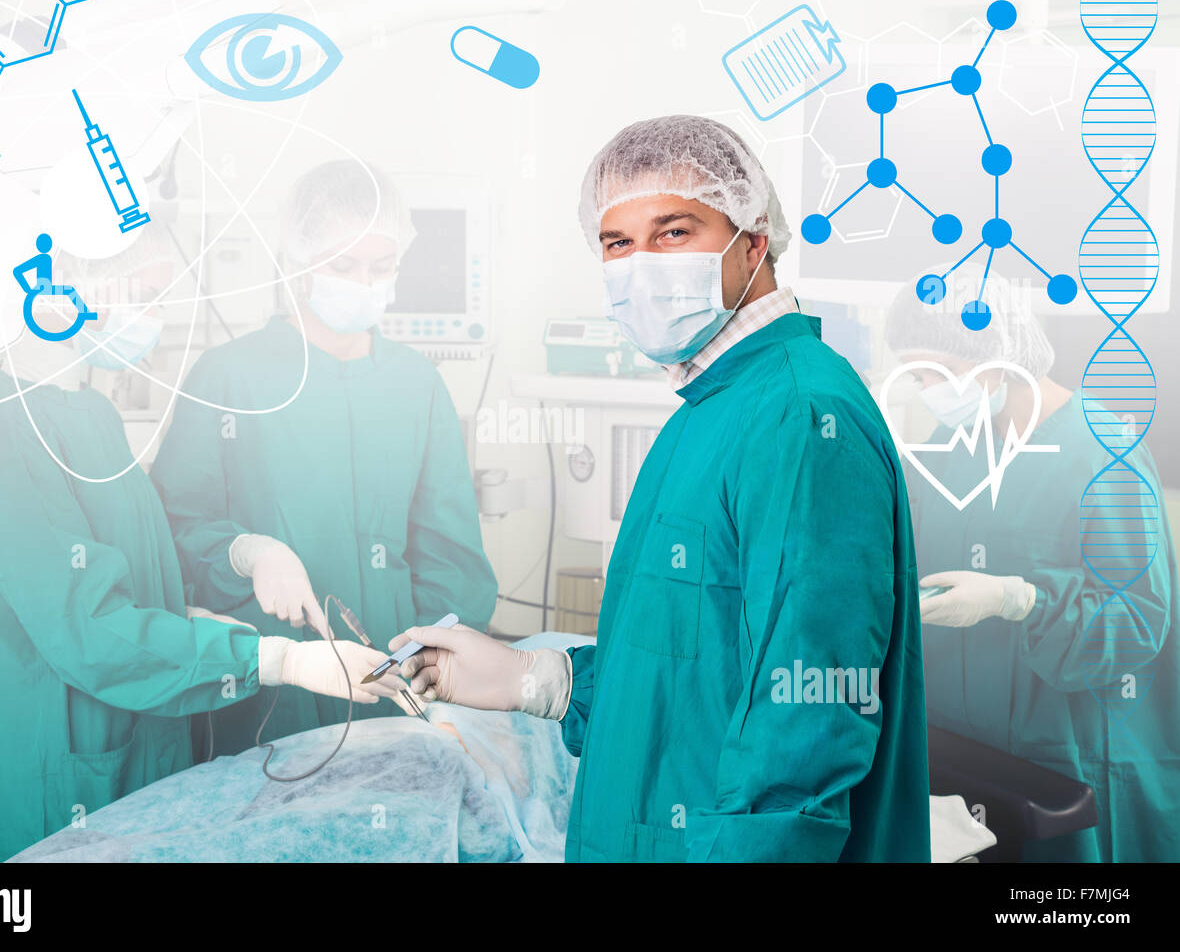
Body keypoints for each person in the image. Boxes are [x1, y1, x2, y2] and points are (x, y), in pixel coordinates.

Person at [392, 115, 931, 862]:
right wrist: (538, 680)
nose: (641, 265)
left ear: (754, 239)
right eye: (618, 243)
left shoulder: (802, 419)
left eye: (674, 232)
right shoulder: (713, 408)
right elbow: (688, 673)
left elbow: (804, 721)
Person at [0, 232, 404, 859]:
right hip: (50, 772)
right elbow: (91, 629)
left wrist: (245, 556)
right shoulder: (5, 428)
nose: (154, 318)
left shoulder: (90, 413)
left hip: (130, 755)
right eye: (146, 296)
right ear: (63, 287)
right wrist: (277, 661)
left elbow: (130, 567)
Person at [151, 161, 497, 756]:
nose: (364, 283)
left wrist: (428, 666)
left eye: (380, 267)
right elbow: (176, 530)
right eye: (342, 266)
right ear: (297, 260)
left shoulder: (416, 386)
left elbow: (452, 557)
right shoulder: (226, 378)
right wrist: (249, 553)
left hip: (395, 689)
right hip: (263, 693)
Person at [887, 275, 1179, 861]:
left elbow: (1138, 620)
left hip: (1066, 759)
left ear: (993, 356)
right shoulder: (954, 443)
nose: (924, 391)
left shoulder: (1105, 455)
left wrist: (1020, 599)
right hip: (959, 753)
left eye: (931, 372)